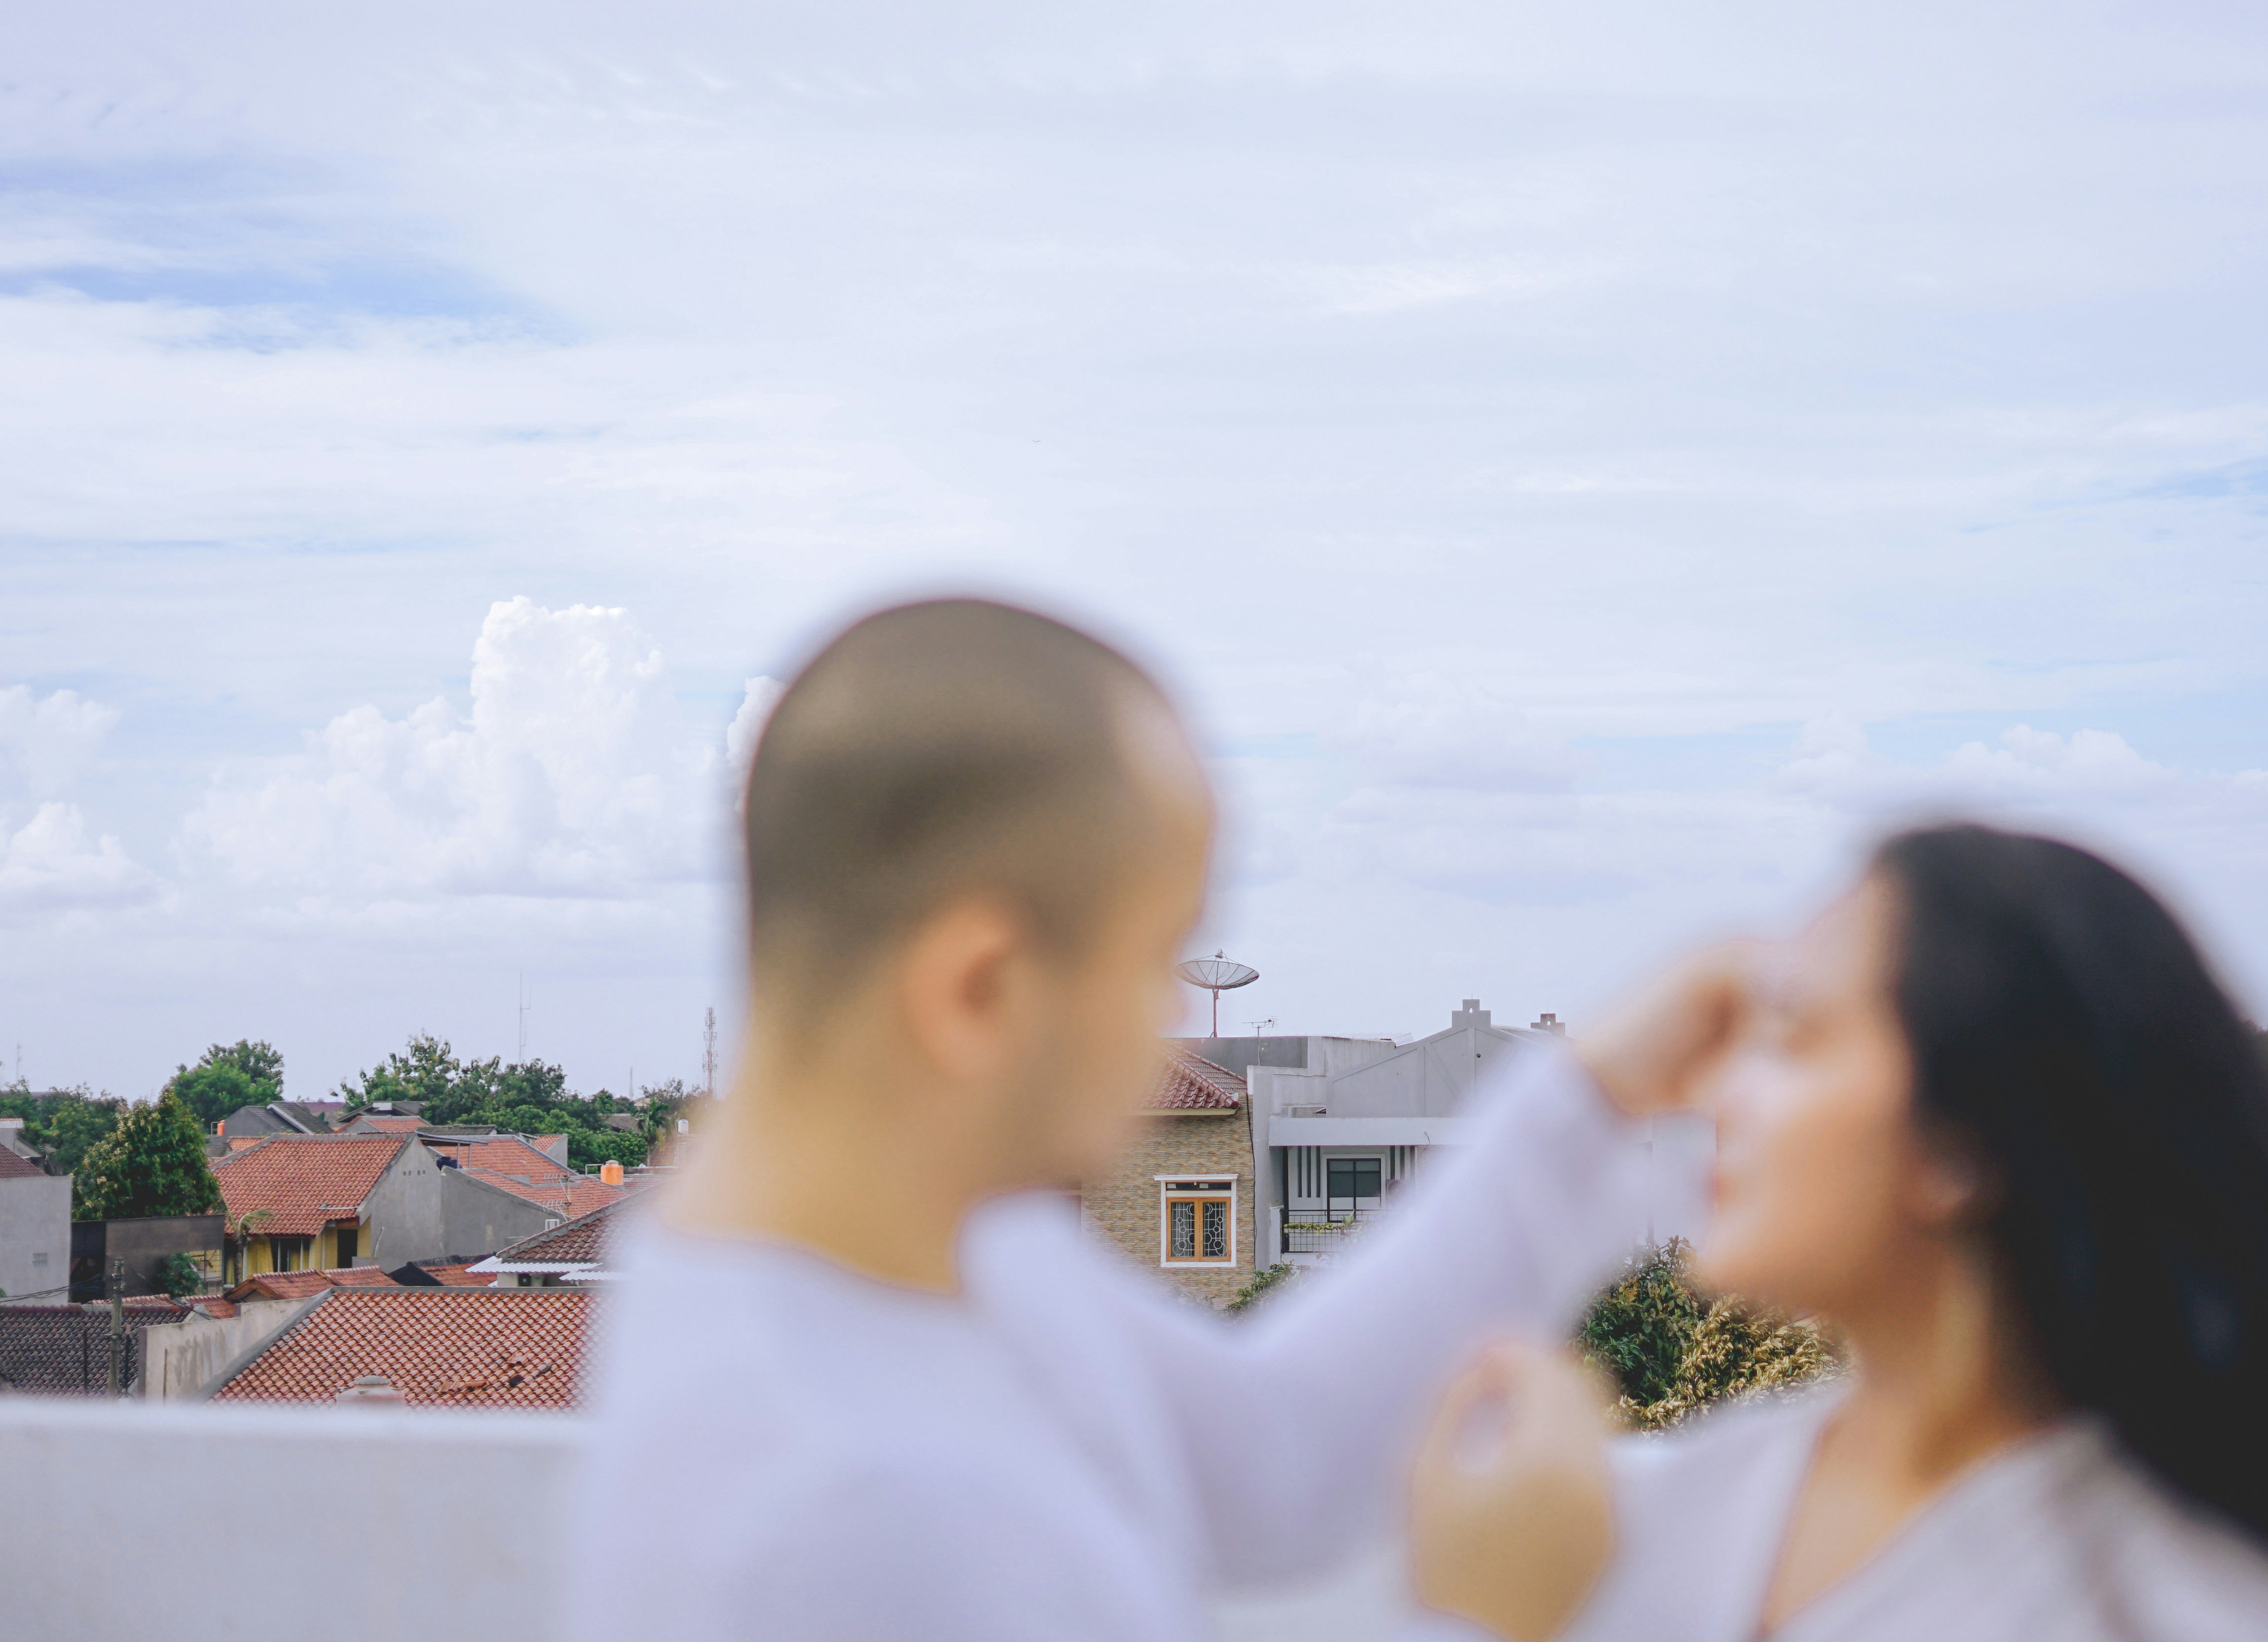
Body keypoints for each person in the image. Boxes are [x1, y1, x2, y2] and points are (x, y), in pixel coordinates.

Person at [569, 598, 1735, 1640]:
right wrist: (1492, 1617)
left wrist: (1592, 1093)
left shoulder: (954, 1248)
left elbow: (1278, 1451)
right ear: (979, 988)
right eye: (1157, 954)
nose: (1179, 1012)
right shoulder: (847, 1503)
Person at [1411, 822, 2268, 1642]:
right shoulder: (1712, 1492)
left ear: (1963, 1140)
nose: (1716, 1093)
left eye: (1792, 1038)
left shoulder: (2205, 1602)